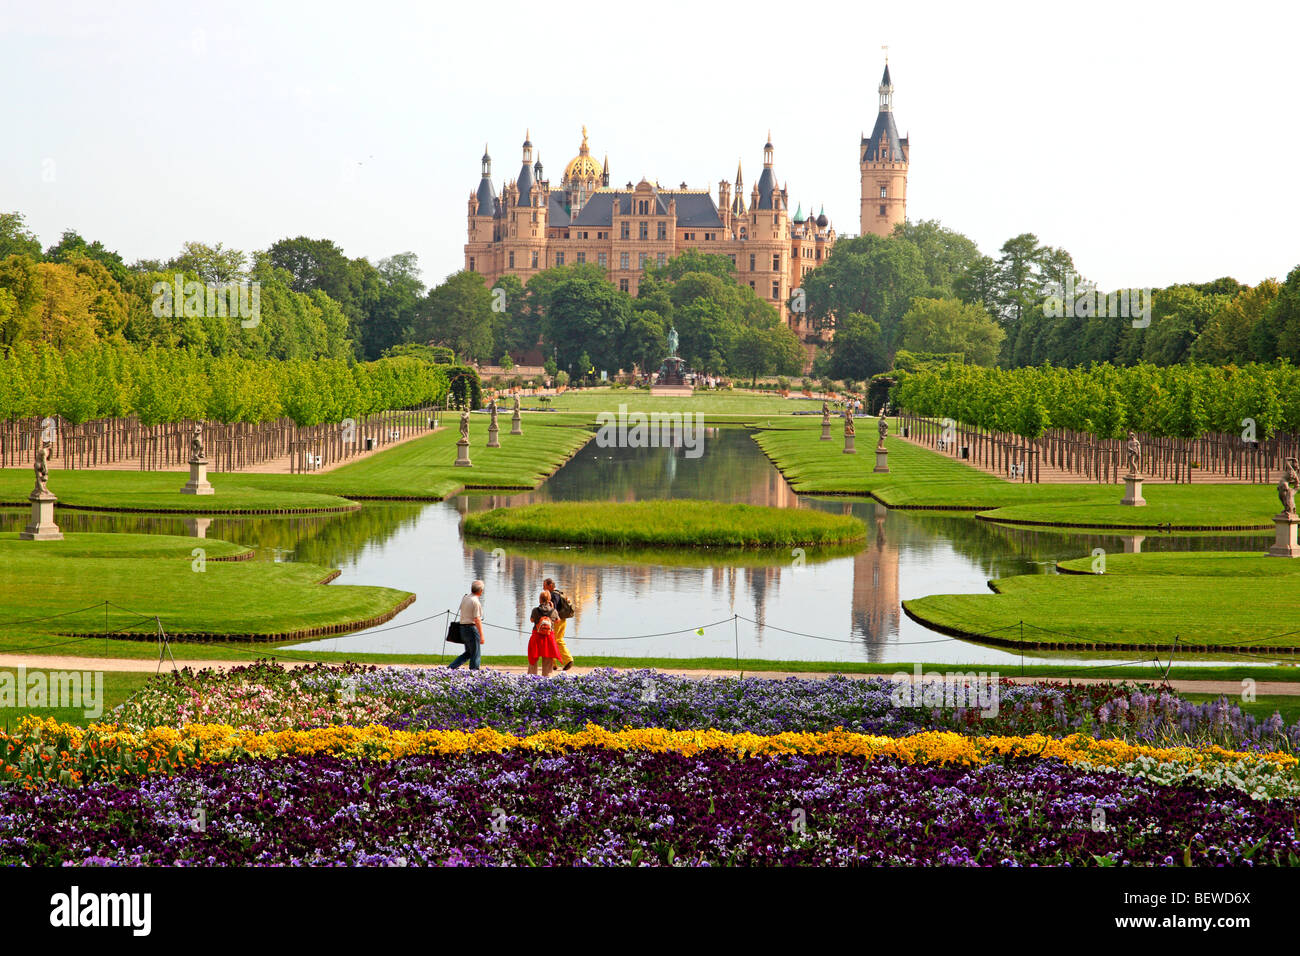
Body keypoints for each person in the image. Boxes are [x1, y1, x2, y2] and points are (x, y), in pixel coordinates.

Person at [448, 580, 485, 670]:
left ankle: (451, 668)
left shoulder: (465, 598)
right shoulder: (475, 601)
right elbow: (477, 619)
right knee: (475, 653)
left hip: (463, 628)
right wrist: (481, 635)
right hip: (471, 629)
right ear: (480, 591)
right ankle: (474, 672)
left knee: (468, 652)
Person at [543, 576, 576, 671]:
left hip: (557, 621)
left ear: (550, 586)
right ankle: (553, 663)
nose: (543, 588)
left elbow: (553, 608)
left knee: (556, 640)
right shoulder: (558, 593)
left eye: (544, 585)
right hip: (562, 620)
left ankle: (568, 660)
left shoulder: (553, 595)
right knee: (553, 640)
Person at [528, 590, 561, 676]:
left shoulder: (535, 610)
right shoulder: (553, 611)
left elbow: (532, 620)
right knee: (547, 660)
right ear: (549, 599)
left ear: (540, 599)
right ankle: (546, 679)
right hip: (548, 637)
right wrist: (553, 608)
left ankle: (531, 678)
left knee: (533, 658)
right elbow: (558, 621)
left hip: (537, 636)